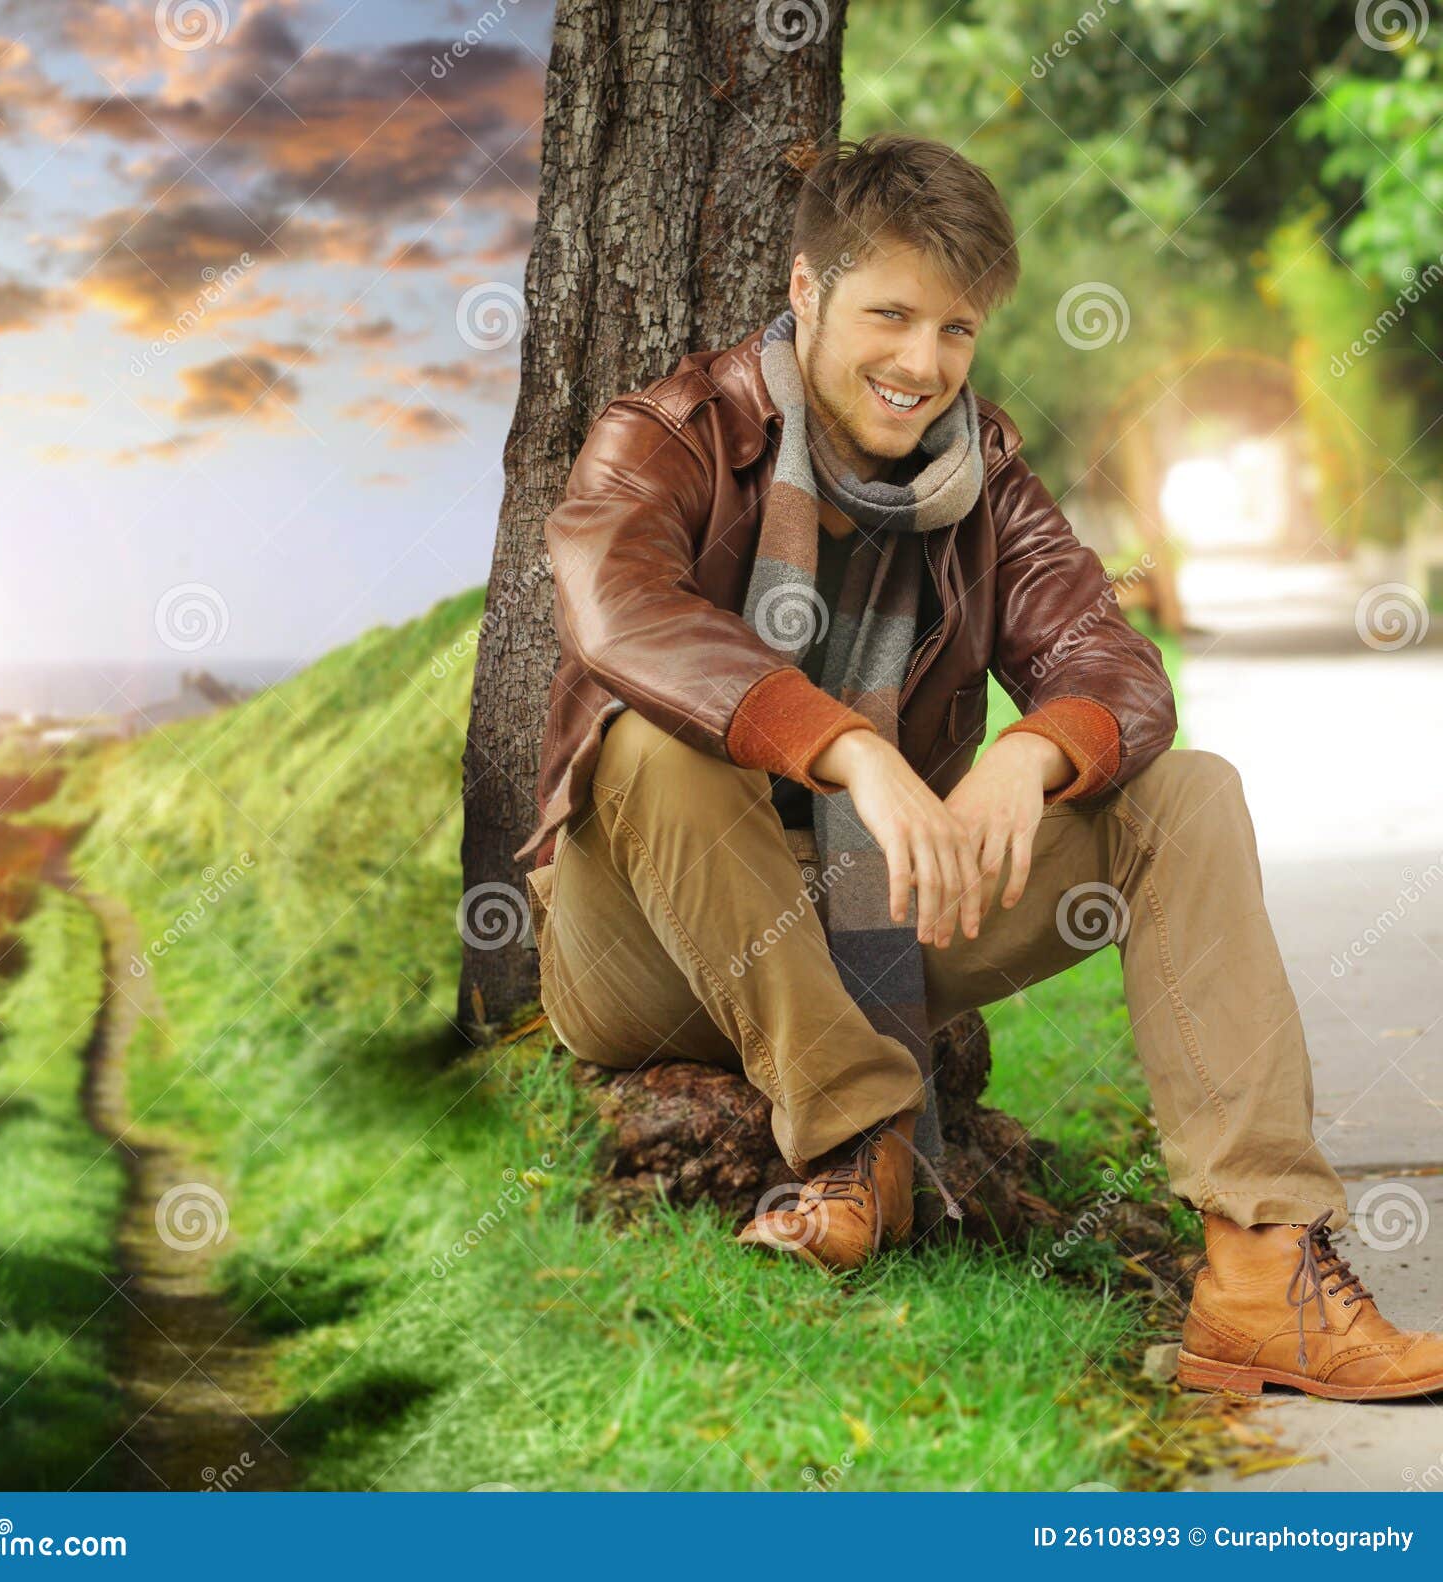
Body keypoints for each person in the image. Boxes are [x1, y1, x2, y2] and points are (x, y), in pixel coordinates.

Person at [514, 133, 1443, 1402]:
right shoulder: (666, 436)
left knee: (1186, 792)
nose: (920, 364)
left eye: (955, 330)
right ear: (805, 292)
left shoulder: (983, 473)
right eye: (889, 315)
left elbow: (1113, 664)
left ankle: (1259, 1270)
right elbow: (621, 617)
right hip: (650, 944)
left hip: (875, 914)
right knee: (645, 741)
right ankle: (855, 1140)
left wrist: (1031, 749)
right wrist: (851, 751)